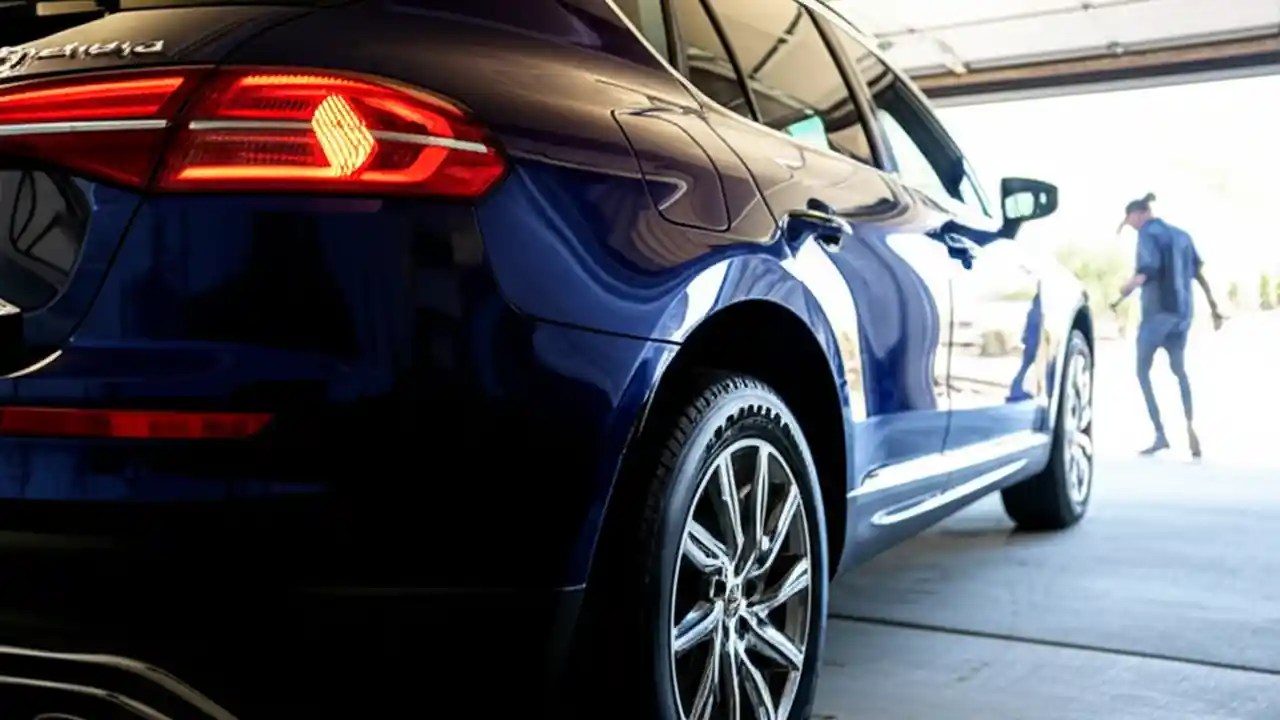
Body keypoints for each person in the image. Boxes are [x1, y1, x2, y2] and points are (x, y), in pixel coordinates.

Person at [1110, 193, 1224, 457]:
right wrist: (1215, 308)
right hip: (1183, 314)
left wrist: (1121, 294)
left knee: (1142, 371)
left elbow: (1146, 270)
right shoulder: (1182, 235)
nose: (1132, 227)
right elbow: (1199, 274)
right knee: (1179, 371)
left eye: (1130, 222)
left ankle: (1160, 434)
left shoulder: (1148, 234)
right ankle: (1190, 426)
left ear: (1139, 214)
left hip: (1157, 314)